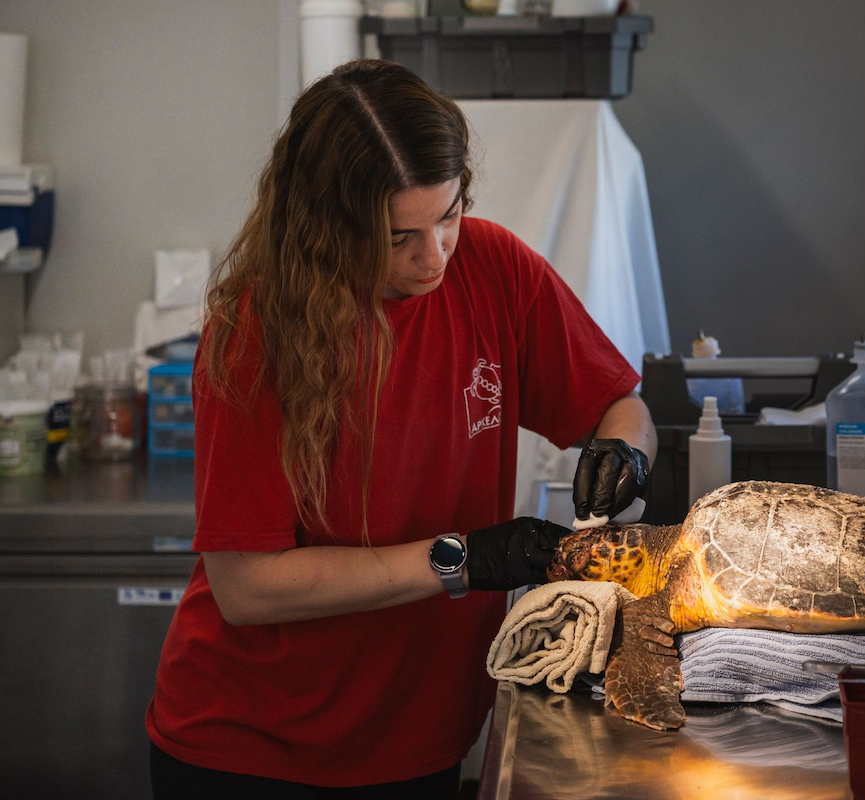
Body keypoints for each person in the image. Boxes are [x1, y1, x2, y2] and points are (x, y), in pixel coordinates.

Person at [145, 59, 656, 798]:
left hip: (420, 739)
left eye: (447, 215)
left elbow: (622, 405)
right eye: (396, 237)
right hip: (251, 749)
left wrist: (625, 452)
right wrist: (464, 560)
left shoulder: (495, 269)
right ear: (327, 224)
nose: (434, 257)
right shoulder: (258, 333)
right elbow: (248, 588)